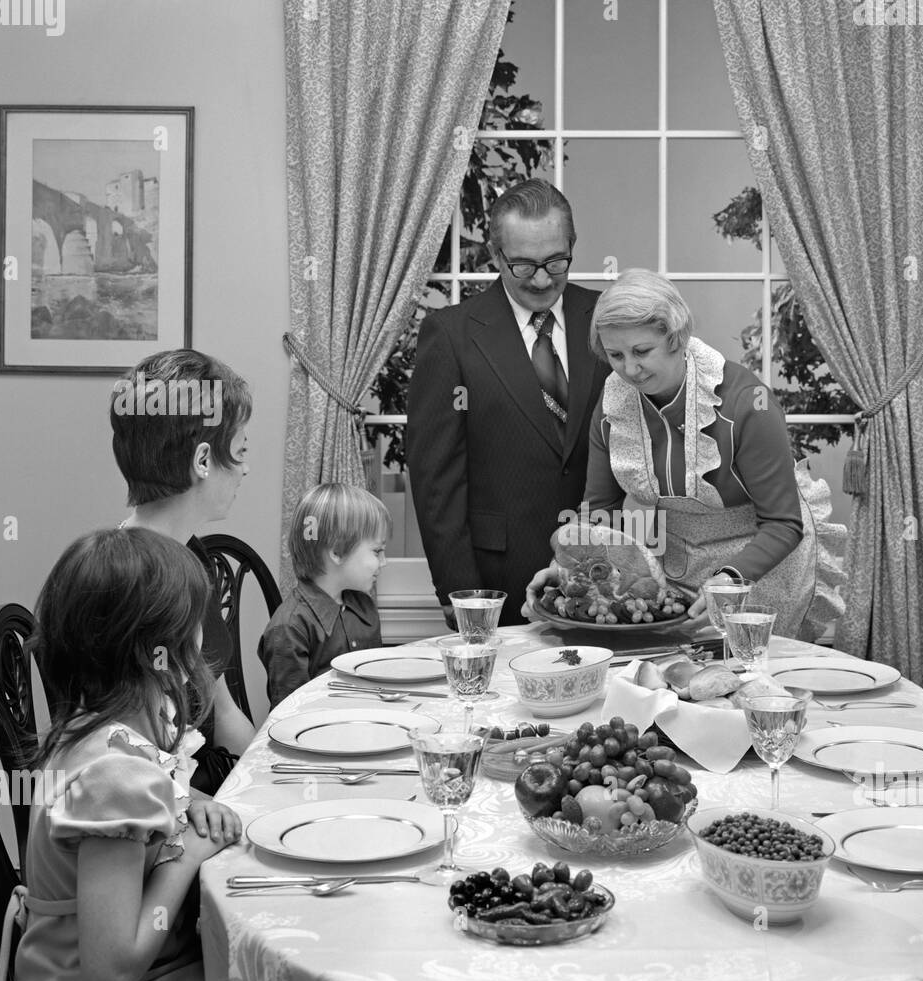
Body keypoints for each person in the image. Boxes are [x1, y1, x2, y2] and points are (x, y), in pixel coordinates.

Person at [16, 528, 242, 981]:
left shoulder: (100, 732)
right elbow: (110, 969)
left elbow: (141, 823)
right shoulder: (115, 777)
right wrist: (184, 855)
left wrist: (186, 804)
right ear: (155, 653)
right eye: (192, 626)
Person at [526, 269, 845, 640]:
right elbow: (601, 514)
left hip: (764, 567)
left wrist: (727, 583)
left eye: (642, 351)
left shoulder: (746, 403)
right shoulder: (614, 405)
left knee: (746, 680)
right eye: (615, 355)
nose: (630, 369)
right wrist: (570, 567)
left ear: (677, 338)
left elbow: (784, 523)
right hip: (680, 564)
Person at [407, 179, 607, 627]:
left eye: (556, 261)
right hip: (496, 583)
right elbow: (436, 480)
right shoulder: (451, 336)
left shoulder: (608, 320)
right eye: (522, 265)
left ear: (572, 245)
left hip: (604, 579)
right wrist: (460, 595)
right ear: (496, 256)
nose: (540, 279)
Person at [109, 348, 256, 793]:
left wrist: (269, 783)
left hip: (206, 788)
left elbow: (224, 714)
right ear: (203, 461)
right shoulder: (128, 584)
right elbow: (122, 758)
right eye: (241, 450)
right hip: (148, 822)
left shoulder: (189, 556)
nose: (246, 469)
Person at [259, 482, 387, 708]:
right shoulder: (290, 629)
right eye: (377, 551)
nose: (384, 562)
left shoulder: (364, 607)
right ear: (337, 552)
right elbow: (291, 716)